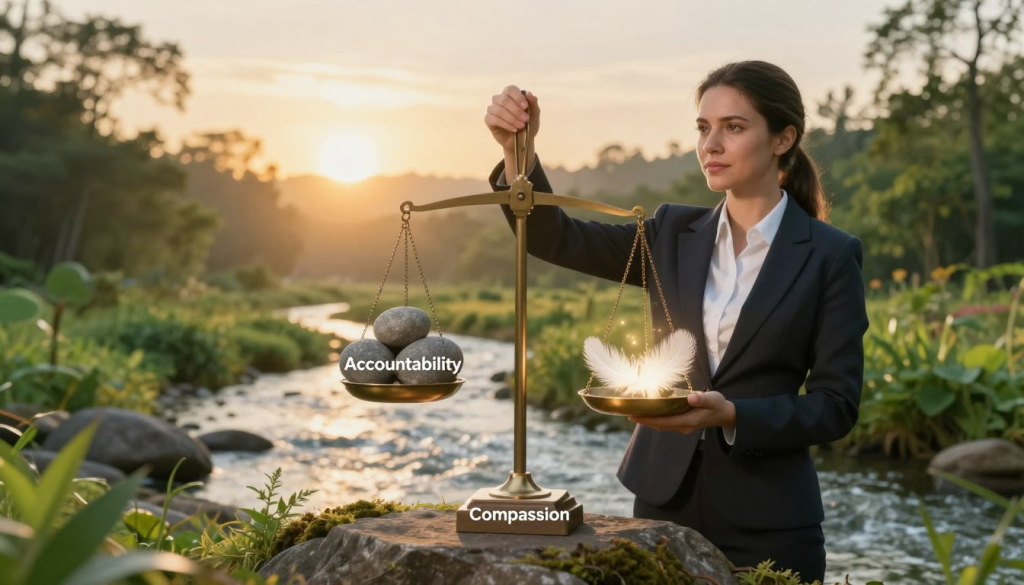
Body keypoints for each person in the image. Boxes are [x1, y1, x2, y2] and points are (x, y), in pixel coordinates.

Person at [483, 61, 868, 583]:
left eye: (733, 127)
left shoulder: (829, 254)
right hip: (663, 504)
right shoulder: (670, 232)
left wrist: (731, 415)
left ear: (783, 138)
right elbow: (556, 238)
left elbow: (835, 406)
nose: (711, 144)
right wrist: (518, 153)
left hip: (772, 522)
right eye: (703, 128)